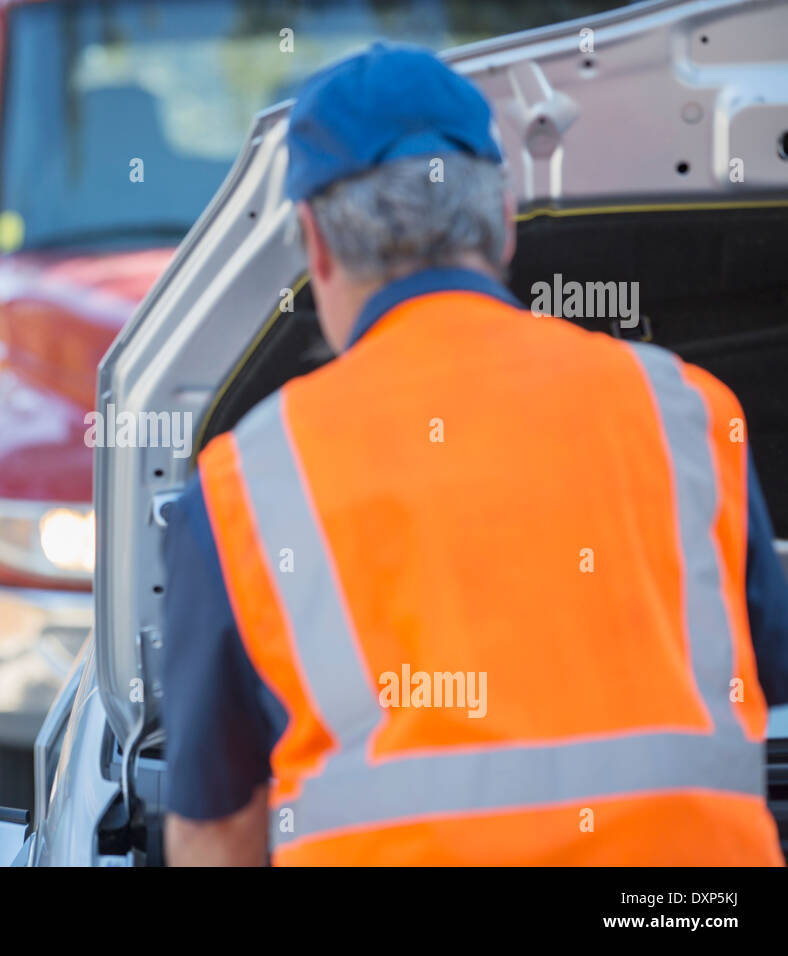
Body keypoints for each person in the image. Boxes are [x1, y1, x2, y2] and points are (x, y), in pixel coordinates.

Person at [159, 43, 788, 866]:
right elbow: (764, 679)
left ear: (313, 241)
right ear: (503, 216)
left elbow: (214, 828)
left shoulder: (246, 483)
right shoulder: (689, 412)